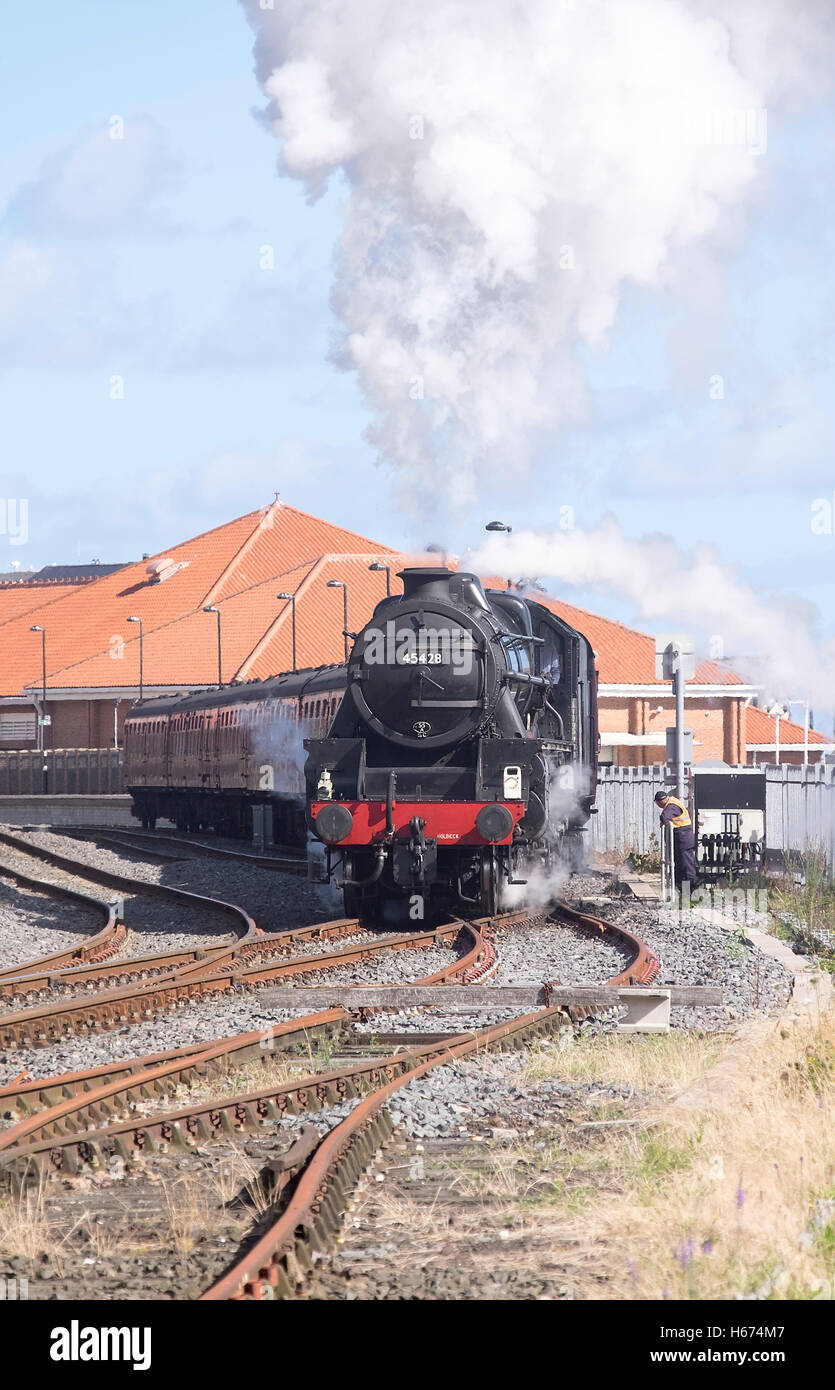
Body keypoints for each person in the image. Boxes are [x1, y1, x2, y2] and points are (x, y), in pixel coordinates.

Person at [654, 789, 697, 890]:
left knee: (686, 866)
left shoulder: (671, 806)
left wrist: (663, 822)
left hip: (683, 840)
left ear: (659, 802)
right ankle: (681, 889)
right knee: (681, 865)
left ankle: (690, 890)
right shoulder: (673, 801)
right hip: (682, 839)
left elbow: (665, 817)